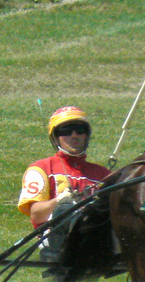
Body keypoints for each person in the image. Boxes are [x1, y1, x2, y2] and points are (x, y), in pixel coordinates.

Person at [17, 106, 110, 260]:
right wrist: (59, 201)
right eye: (66, 130)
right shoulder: (42, 168)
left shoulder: (104, 174)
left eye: (80, 130)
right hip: (55, 237)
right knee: (66, 207)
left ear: (87, 135)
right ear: (55, 137)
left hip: (97, 236)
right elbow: (36, 214)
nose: (74, 135)